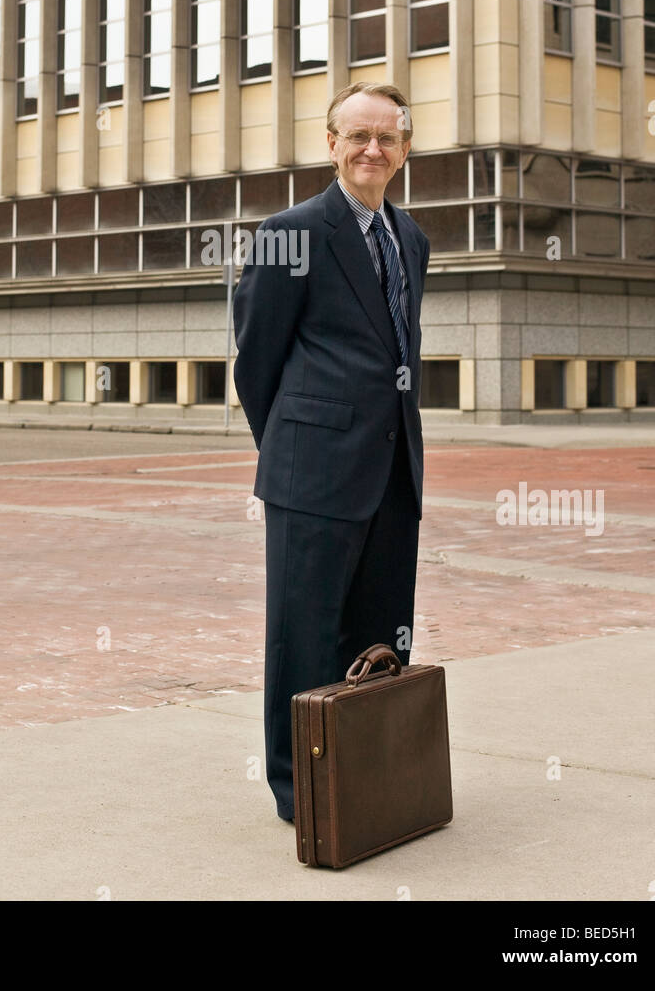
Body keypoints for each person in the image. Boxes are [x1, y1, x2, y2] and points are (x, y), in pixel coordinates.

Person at [233, 82, 430, 822]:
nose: (372, 149)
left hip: (393, 472)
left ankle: (370, 775)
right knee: (303, 635)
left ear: (404, 150)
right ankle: (302, 796)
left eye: (386, 138)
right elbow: (257, 361)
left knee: (379, 636)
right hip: (312, 474)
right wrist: (293, 450)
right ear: (331, 143)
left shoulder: (411, 237)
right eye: (358, 136)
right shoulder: (292, 232)